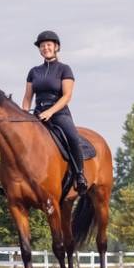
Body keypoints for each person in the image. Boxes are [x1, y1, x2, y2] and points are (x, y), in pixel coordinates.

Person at [22, 29, 88, 194]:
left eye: (48, 45)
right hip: (37, 112)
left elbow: (67, 96)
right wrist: (23, 114)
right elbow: (27, 97)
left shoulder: (64, 69)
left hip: (59, 112)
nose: (45, 48)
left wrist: (50, 112)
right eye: (42, 46)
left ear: (56, 47)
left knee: (73, 137)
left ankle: (79, 175)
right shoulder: (33, 72)